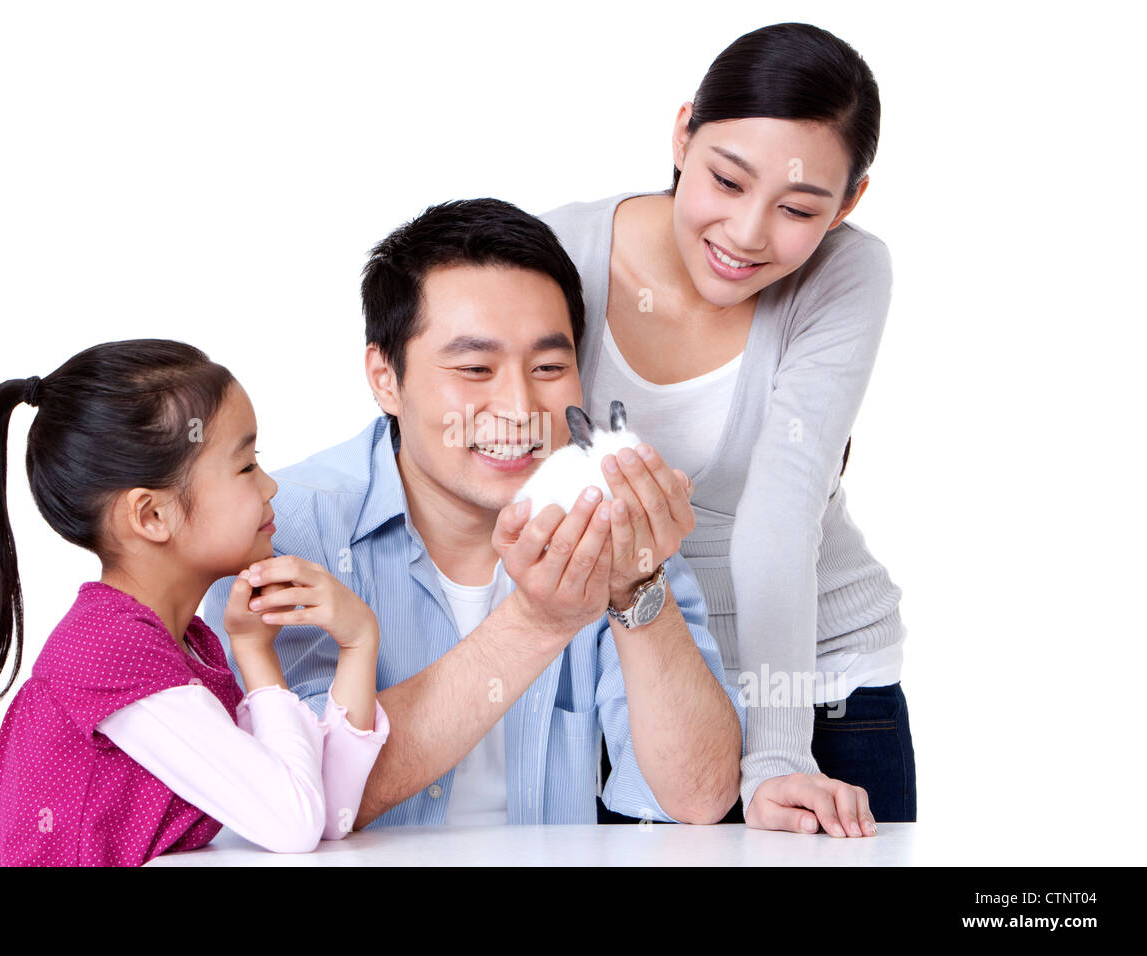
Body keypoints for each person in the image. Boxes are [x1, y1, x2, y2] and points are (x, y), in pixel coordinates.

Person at [204, 198, 746, 828]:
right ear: (385, 377)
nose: (519, 407)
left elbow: (699, 796)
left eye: (549, 367)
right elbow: (295, 800)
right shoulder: (278, 526)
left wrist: (637, 588)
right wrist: (538, 624)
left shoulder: (609, 512)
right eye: (473, 368)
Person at [538, 21, 914, 836]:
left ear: (848, 203)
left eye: (798, 208)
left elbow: (782, 508)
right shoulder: (559, 252)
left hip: (823, 693)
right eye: (727, 180)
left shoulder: (847, 273)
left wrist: (779, 757)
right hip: (636, 679)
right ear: (683, 135)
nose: (746, 236)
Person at [0, 339, 388, 865]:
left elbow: (326, 815)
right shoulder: (111, 654)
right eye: (245, 466)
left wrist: (356, 642)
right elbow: (296, 820)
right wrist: (259, 661)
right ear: (151, 517)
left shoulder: (185, 644)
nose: (271, 485)